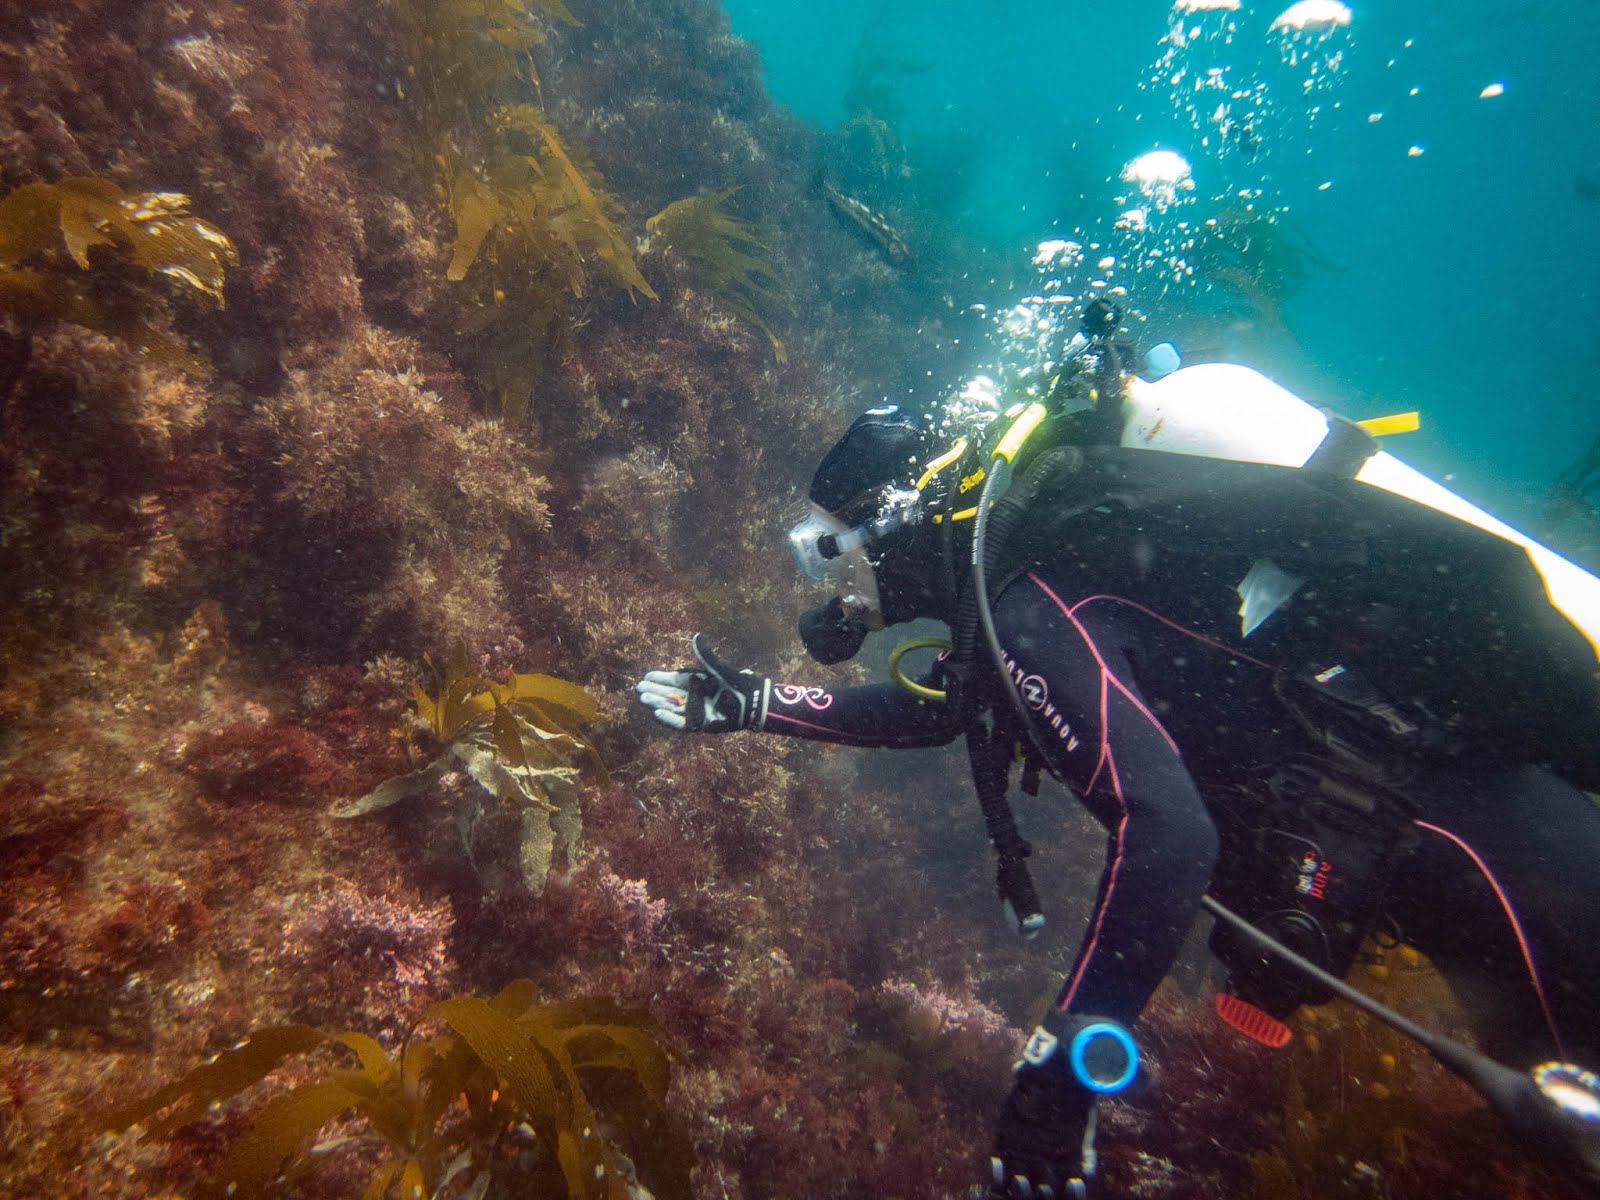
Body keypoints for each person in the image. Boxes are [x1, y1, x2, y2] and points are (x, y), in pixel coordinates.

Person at [635, 315, 1600, 1198]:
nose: (845, 591)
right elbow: (941, 712)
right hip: (1460, 843)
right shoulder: (1034, 586)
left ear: (895, 520)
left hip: (1494, 853)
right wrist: (757, 704)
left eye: (832, 551)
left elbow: (1172, 839)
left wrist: (1067, 1071)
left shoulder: (1031, 603)